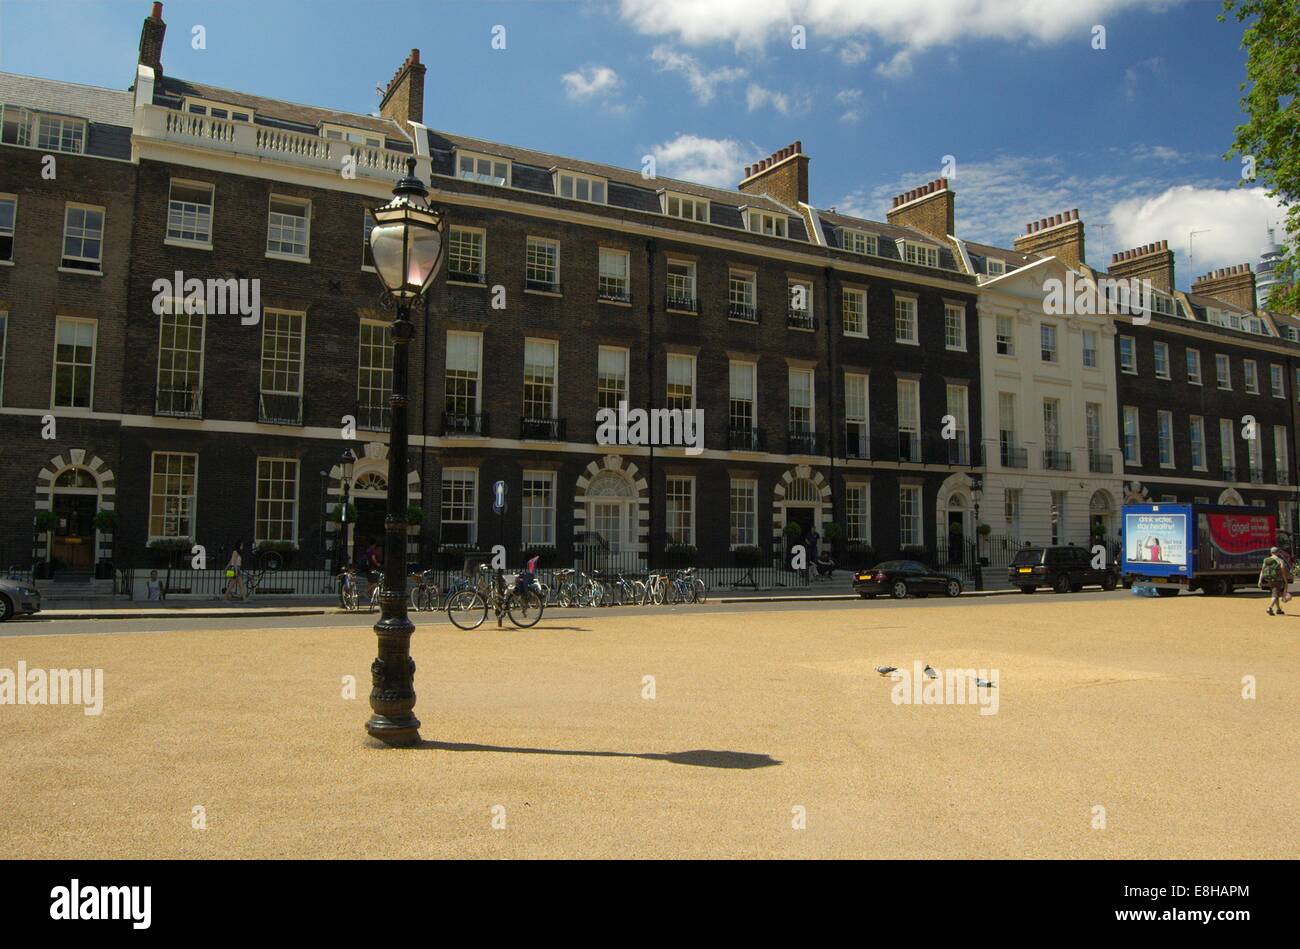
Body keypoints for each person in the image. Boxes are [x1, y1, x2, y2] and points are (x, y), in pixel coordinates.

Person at [1259, 546, 1291, 616]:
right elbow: (1283, 571)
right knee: (1275, 594)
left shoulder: (1266, 560)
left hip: (1269, 579)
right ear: (1278, 552)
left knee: (1275, 592)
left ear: (1271, 552)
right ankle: (1269, 608)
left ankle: (1278, 609)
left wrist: (1260, 580)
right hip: (1278, 579)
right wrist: (1285, 580)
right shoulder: (1280, 560)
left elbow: (1262, 570)